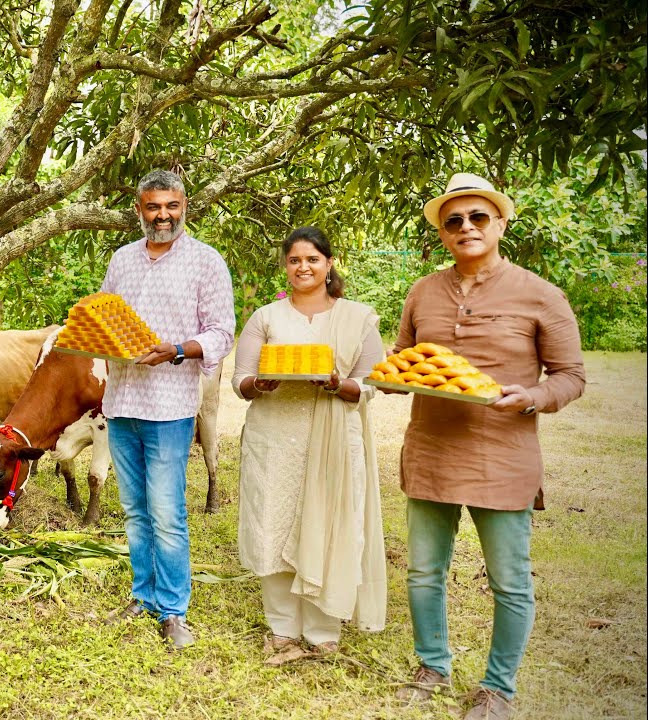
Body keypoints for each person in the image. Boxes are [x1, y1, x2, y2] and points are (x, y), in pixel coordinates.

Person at [390, 173, 586, 720]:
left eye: (478, 217)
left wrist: (533, 396)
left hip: (503, 454)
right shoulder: (424, 291)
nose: (466, 227)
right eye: (454, 221)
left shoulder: (540, 294)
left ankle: (497, 688)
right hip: (430, 447)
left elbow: (571, 376)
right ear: (443, 234)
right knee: (424, 570)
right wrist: (389, 375)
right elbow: (404, 355)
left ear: (501, 222)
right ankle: (432, 664)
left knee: (509, 580)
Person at [231, 227, 388, 664]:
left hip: (335, 438)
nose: (304, 267)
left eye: (313, 260)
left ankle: (323, 629)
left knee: (333, 524)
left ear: (329, 264)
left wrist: (340, 385)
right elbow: (239, 380)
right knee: (272, 524)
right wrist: (259, 383)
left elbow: (370, 382)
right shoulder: (266, 317)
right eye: (295, 260)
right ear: (286, 266)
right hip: (274, 438)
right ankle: (281, 628)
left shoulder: (357, 317)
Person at [100, 169, 235, 650]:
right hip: (120, 401)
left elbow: (222, 332)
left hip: (170, 406)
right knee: (135, 510)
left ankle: (173, 610)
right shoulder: (121, 260)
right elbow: (105, 318)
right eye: (153, 207)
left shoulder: (206, 261)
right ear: (139, 210)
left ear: (185, 207)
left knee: (167, 512)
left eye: (171, 206)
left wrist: (176, 348)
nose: (163, 215)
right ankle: (144, 594)